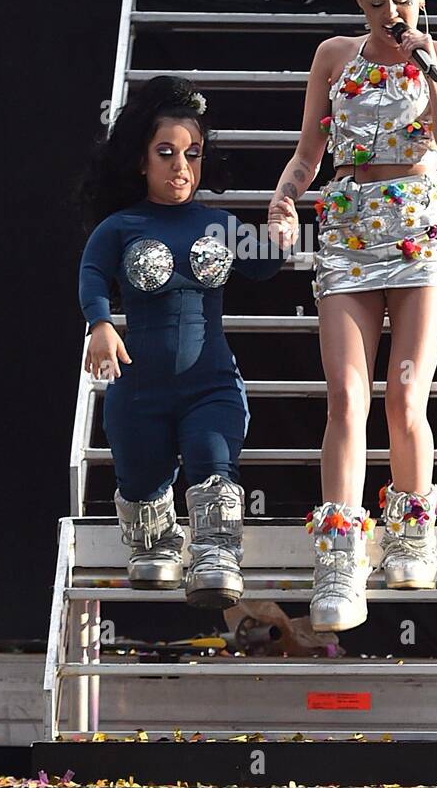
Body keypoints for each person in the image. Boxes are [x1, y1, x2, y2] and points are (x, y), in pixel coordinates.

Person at [267, 0, 437, 632]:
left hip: (420, 228)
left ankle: (412, 529)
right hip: (349, 230)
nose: (388, 12)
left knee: (405, 393)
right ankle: (340, 555)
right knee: (346, 395)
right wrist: (284, 198)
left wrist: (428, 70)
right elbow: (309, 151)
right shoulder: (335, 55)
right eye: (373, 1)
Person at [77, 75, 298, 607]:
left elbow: (262, 265)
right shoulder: (119, 226)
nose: (181, 166)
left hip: (210, 383)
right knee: (141, 469)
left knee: (212, 455)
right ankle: (154, 542)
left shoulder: (219, 223)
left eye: (192, 154)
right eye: (167, 153)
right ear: (141, 160)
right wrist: (100, 324)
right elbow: (92, 274)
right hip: (139, 388)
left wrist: (283, 236)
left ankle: (216, 551)